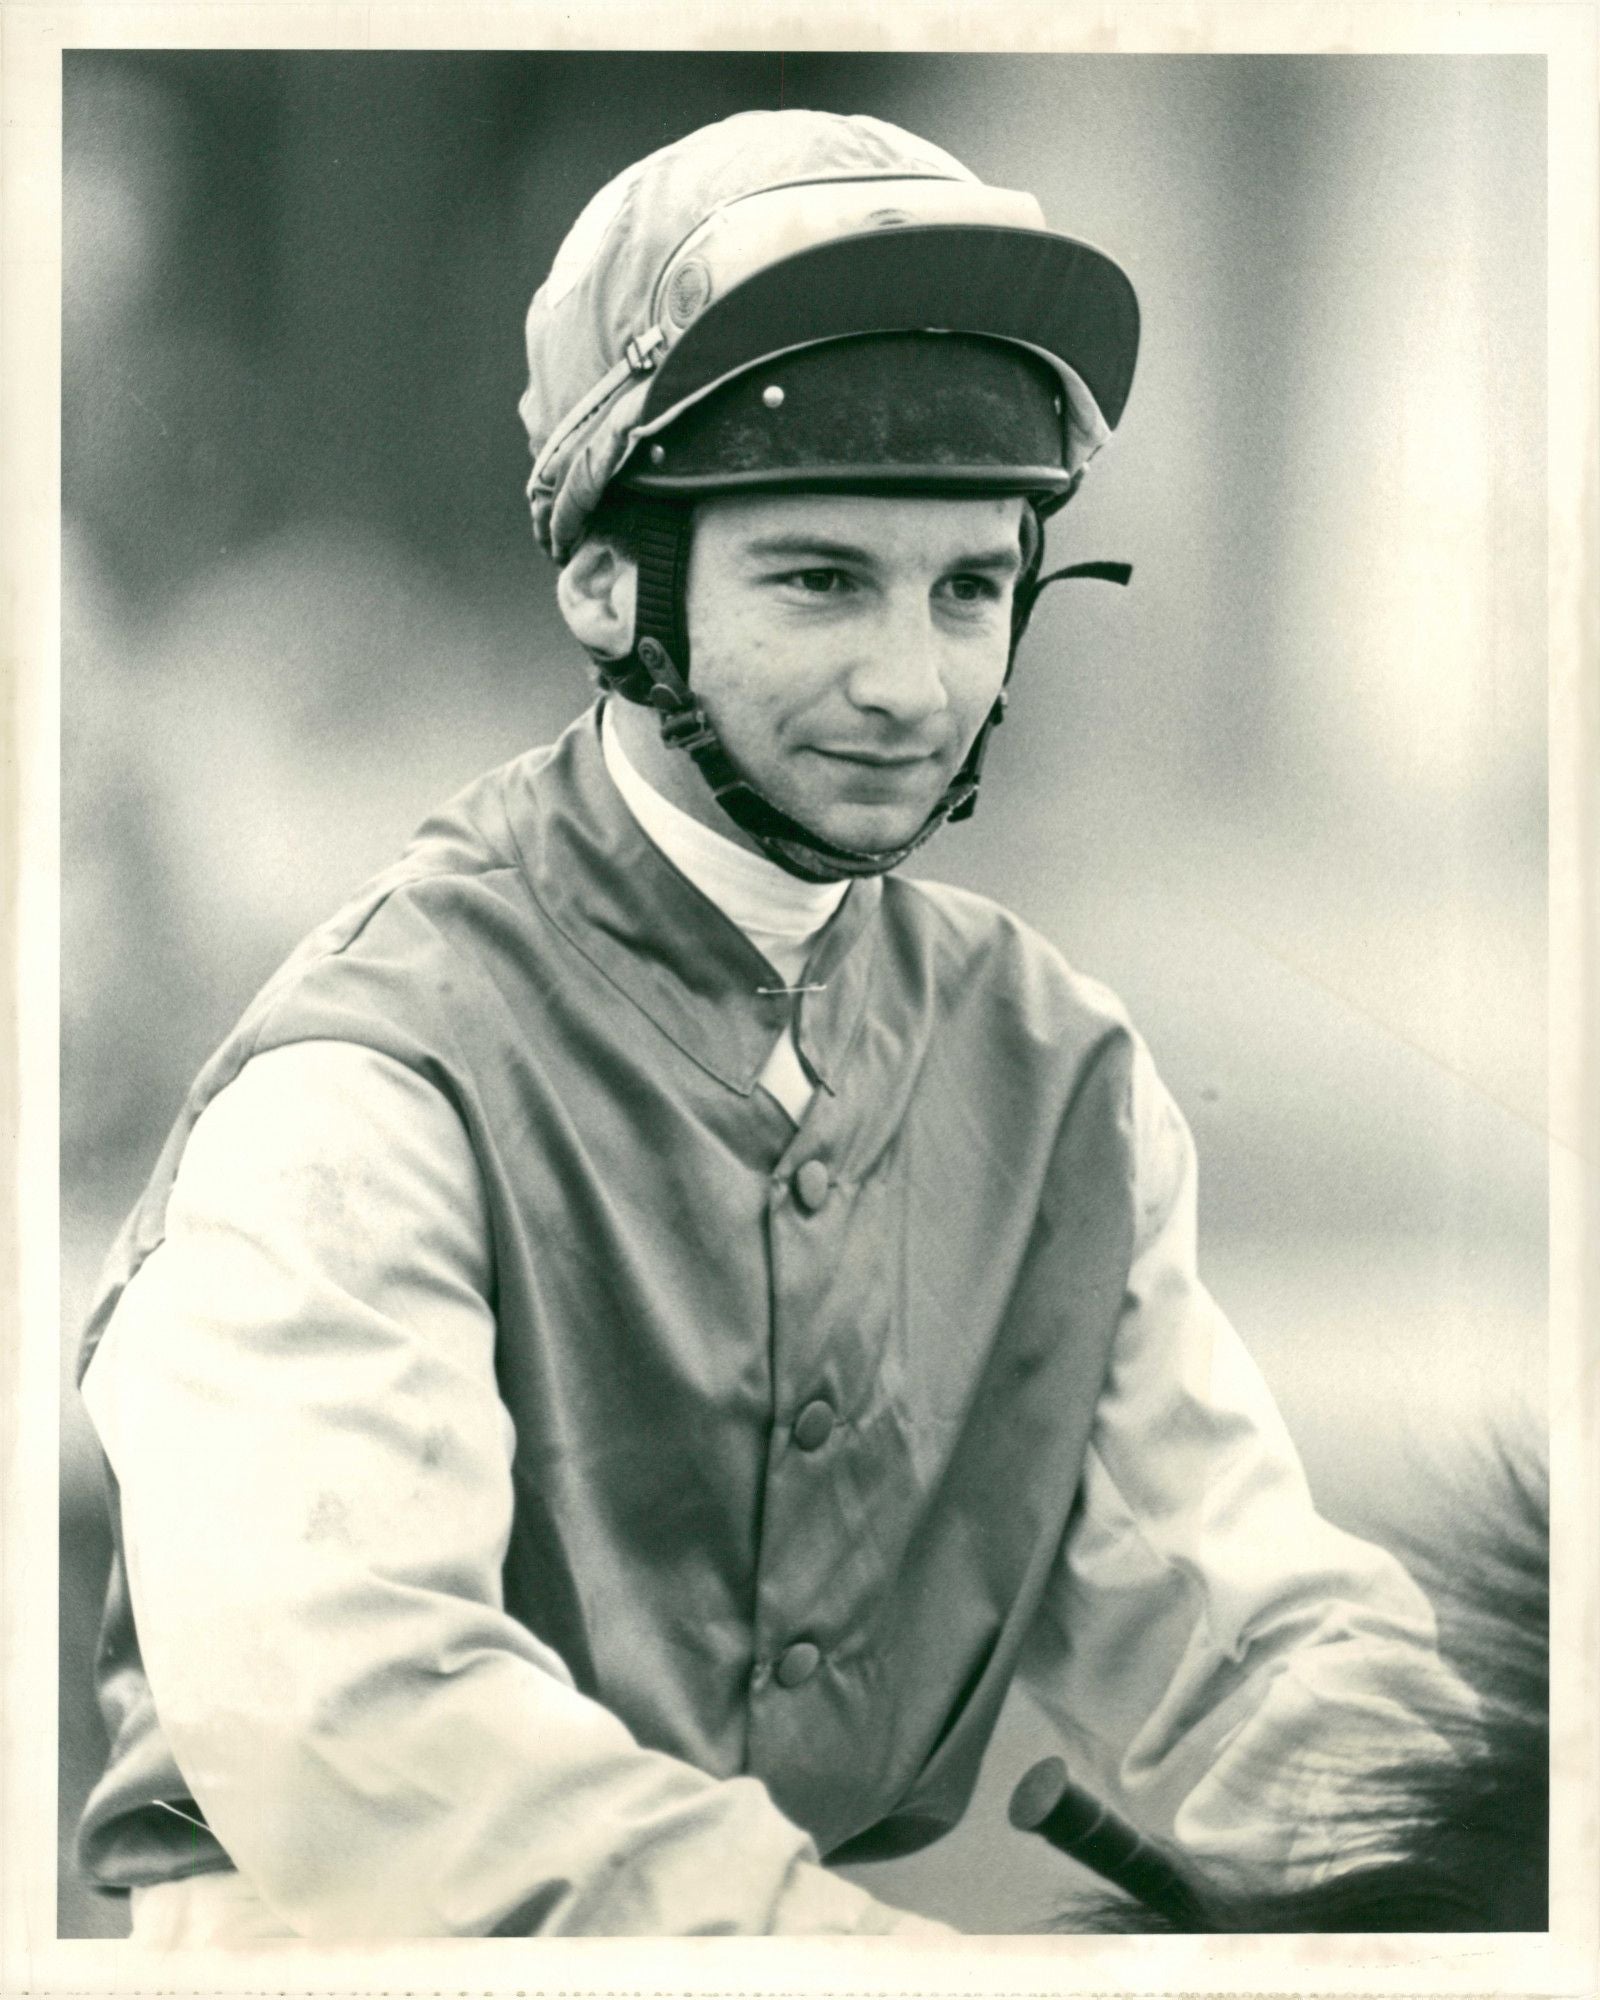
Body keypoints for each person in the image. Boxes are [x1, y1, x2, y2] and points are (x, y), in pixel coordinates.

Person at [73, 107, 1471, 1943]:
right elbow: (360, 1721)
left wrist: (1471, 1846)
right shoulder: (369, 1081)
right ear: (604, 582)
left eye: (970, 590)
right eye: (819, 580)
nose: (911, 684)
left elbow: (1243, 1631)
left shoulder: (1054, 1075)